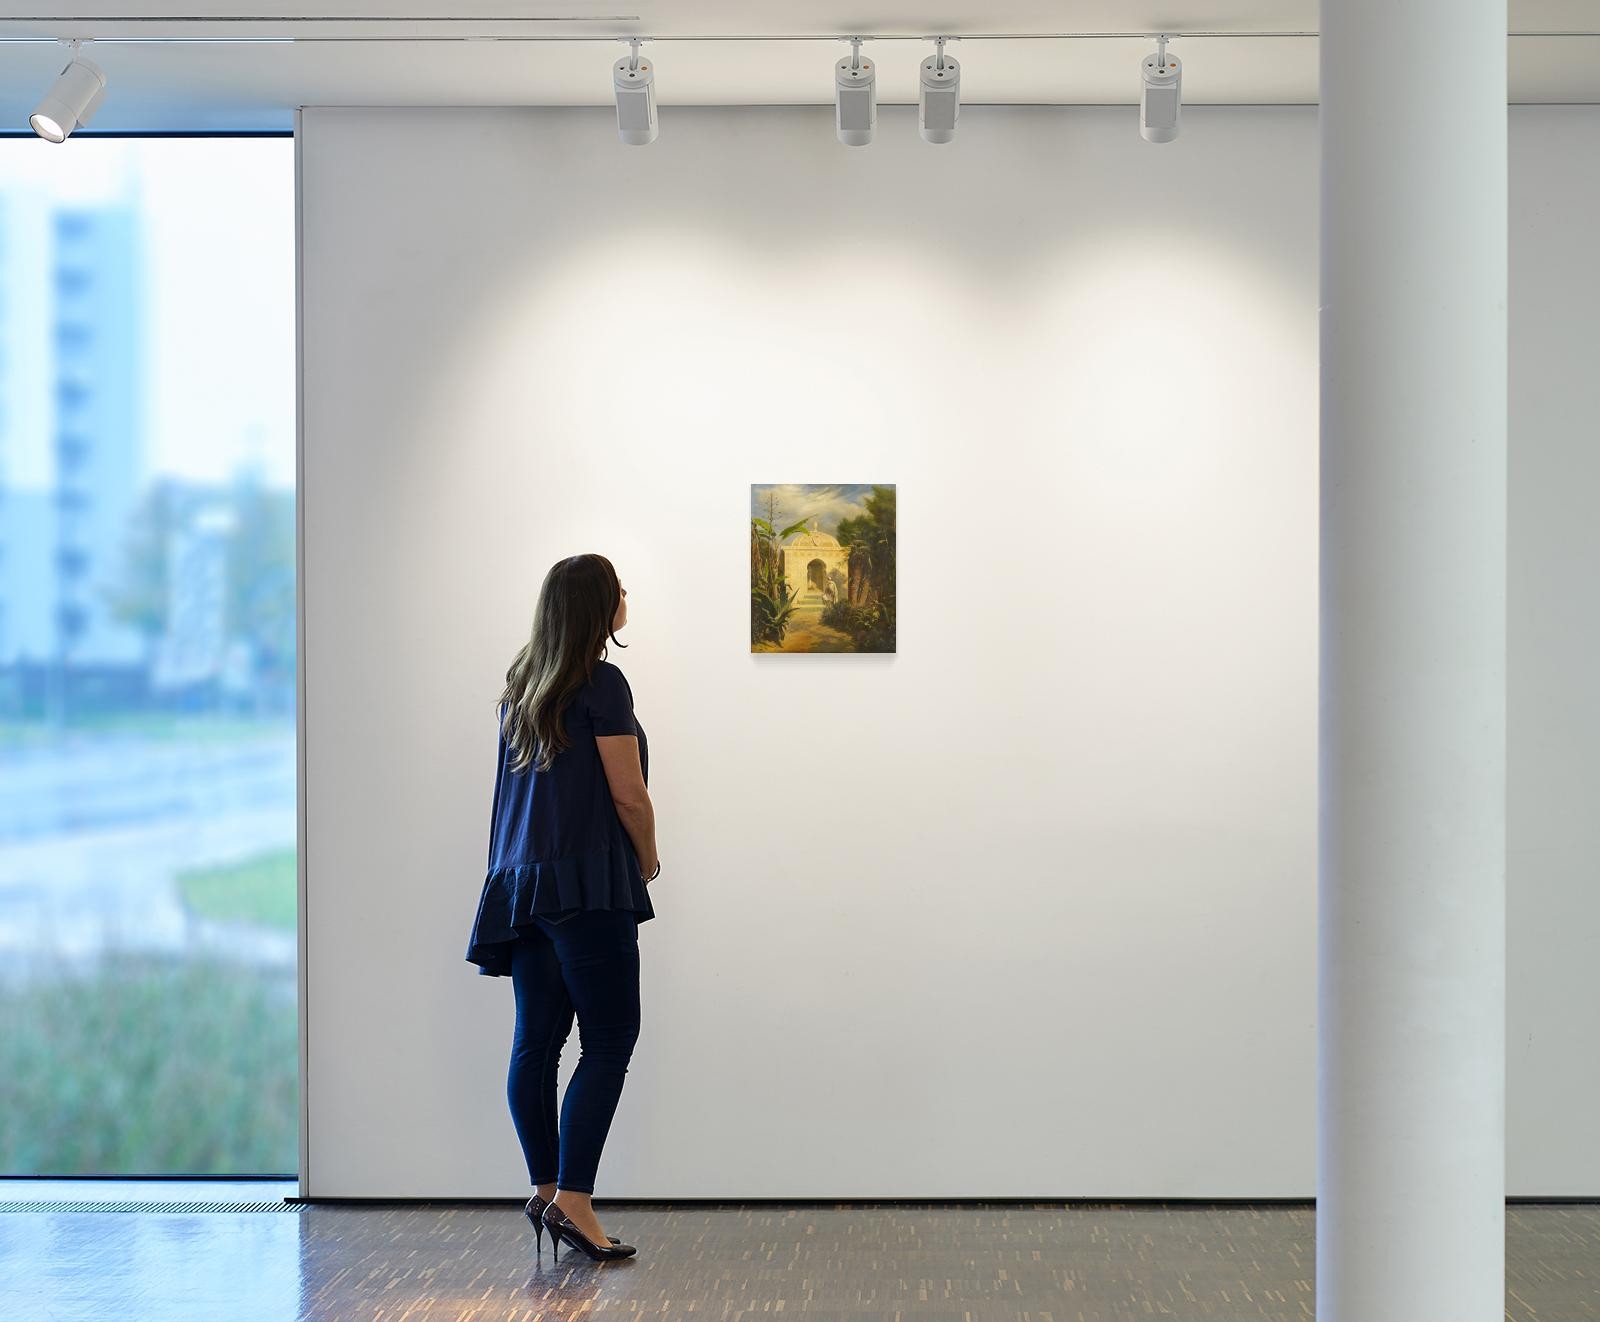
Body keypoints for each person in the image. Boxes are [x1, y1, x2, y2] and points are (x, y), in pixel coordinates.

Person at [465, 553, 660, 1263]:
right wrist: (647, 855)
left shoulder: (525, 685)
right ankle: (576, 1199)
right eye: (619, 589)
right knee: (610, 1038)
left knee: (536, 1043)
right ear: (597, 607)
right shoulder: (601, 683)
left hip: (521, 883)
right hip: (585, 882)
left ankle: (547, 1189)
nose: (626, 597)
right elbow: (628, 793)